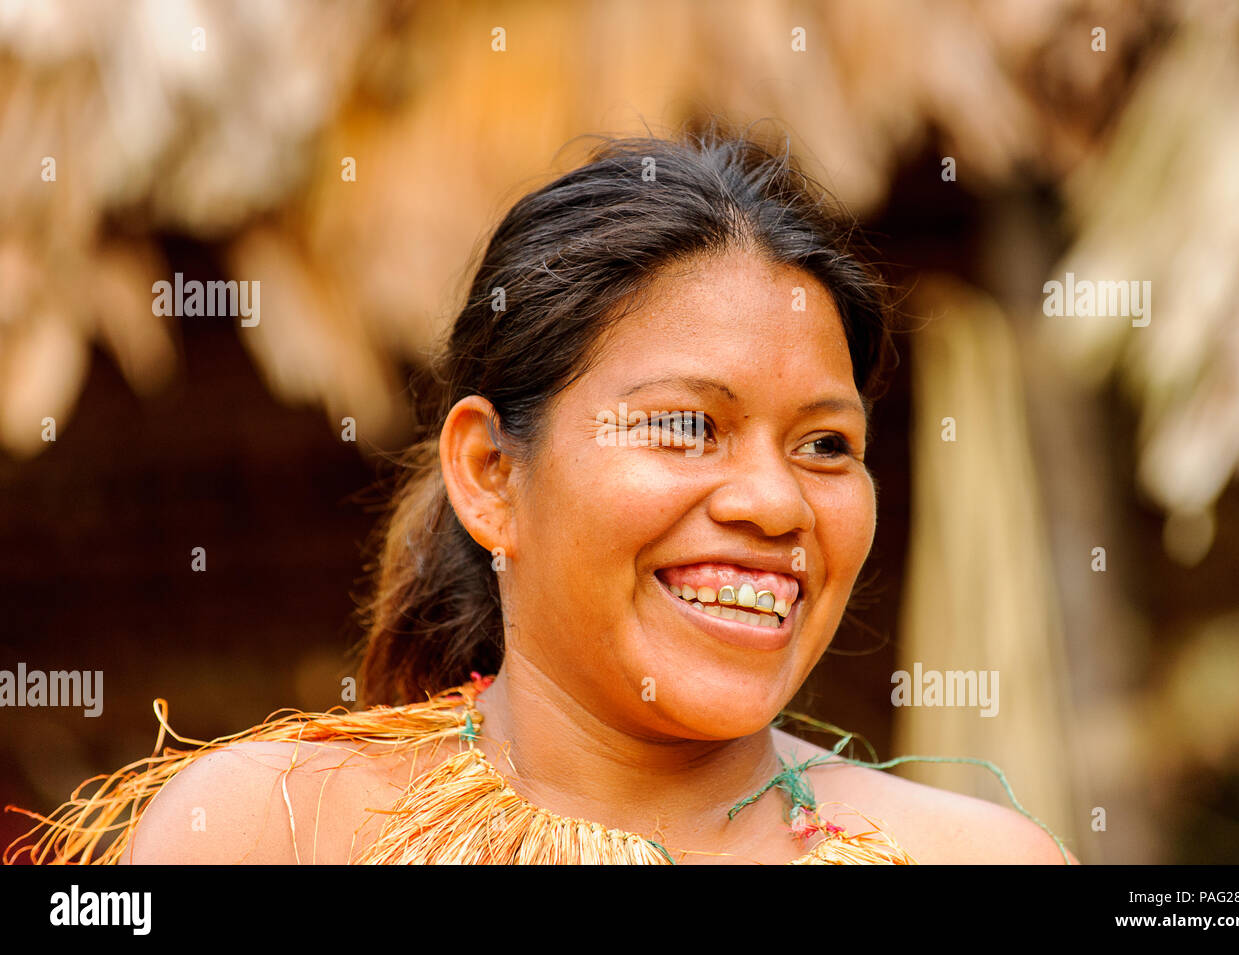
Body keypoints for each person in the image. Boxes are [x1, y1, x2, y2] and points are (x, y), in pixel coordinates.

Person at [6, 122, 1075, 865]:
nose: (774, 501)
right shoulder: (268, 829)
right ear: (489, 474)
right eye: (685, 425)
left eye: (826, 445)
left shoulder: (975, 857)